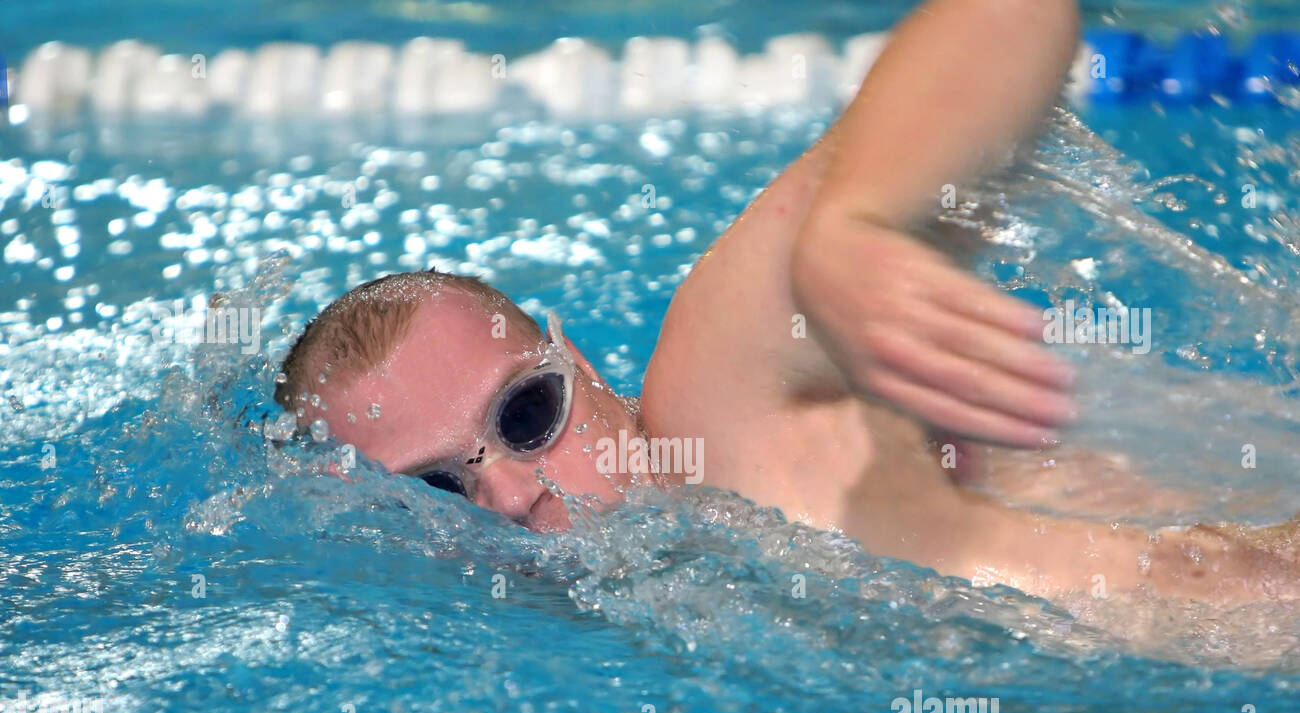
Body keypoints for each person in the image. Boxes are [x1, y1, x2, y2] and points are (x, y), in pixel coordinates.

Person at [275, 0, 1300, 608]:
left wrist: (847, 232)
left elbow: (1013, 14)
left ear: (577, 366)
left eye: (525, 417)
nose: (510, 498)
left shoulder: (719, 413)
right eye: (441, 488)